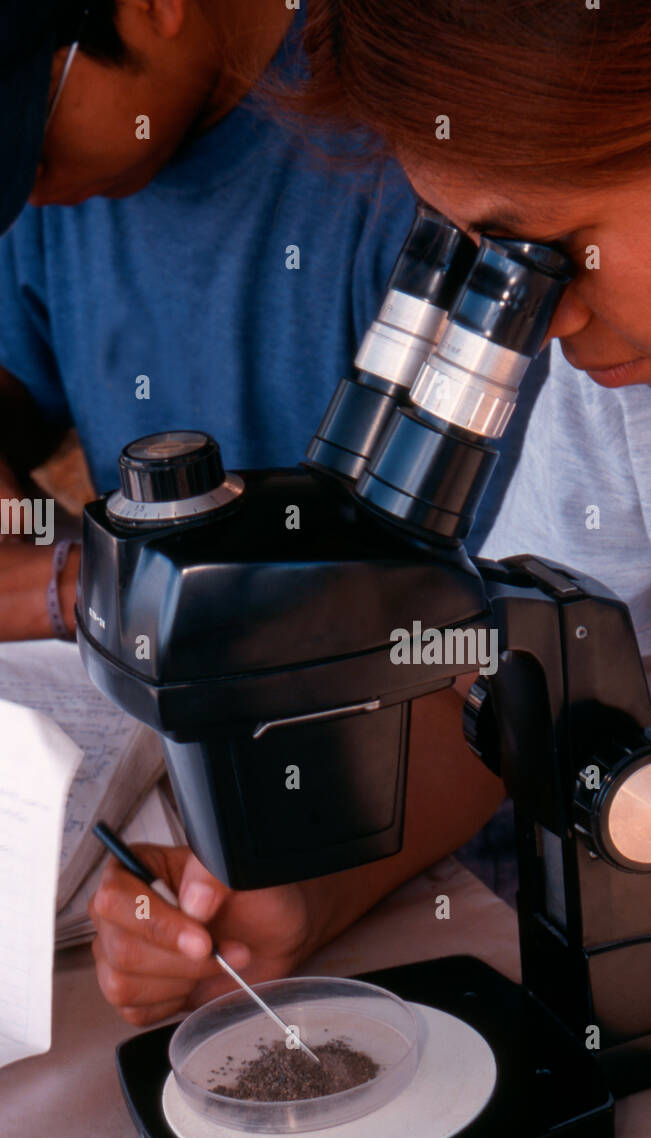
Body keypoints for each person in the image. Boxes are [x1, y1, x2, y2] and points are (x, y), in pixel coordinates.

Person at [90, 0, 651, 1083]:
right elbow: (511, 667)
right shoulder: (644, 377)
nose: (539, 316)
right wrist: (302, 888)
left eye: (549, 249)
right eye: (476, 256)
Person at [0, 1, 529, 1017]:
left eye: (26, 135)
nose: (21, 190)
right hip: (179, 843)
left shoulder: (419, 159)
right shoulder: (66, 185)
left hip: (434, 878)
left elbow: (496, 655)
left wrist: (313, 895)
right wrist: (75, 588)